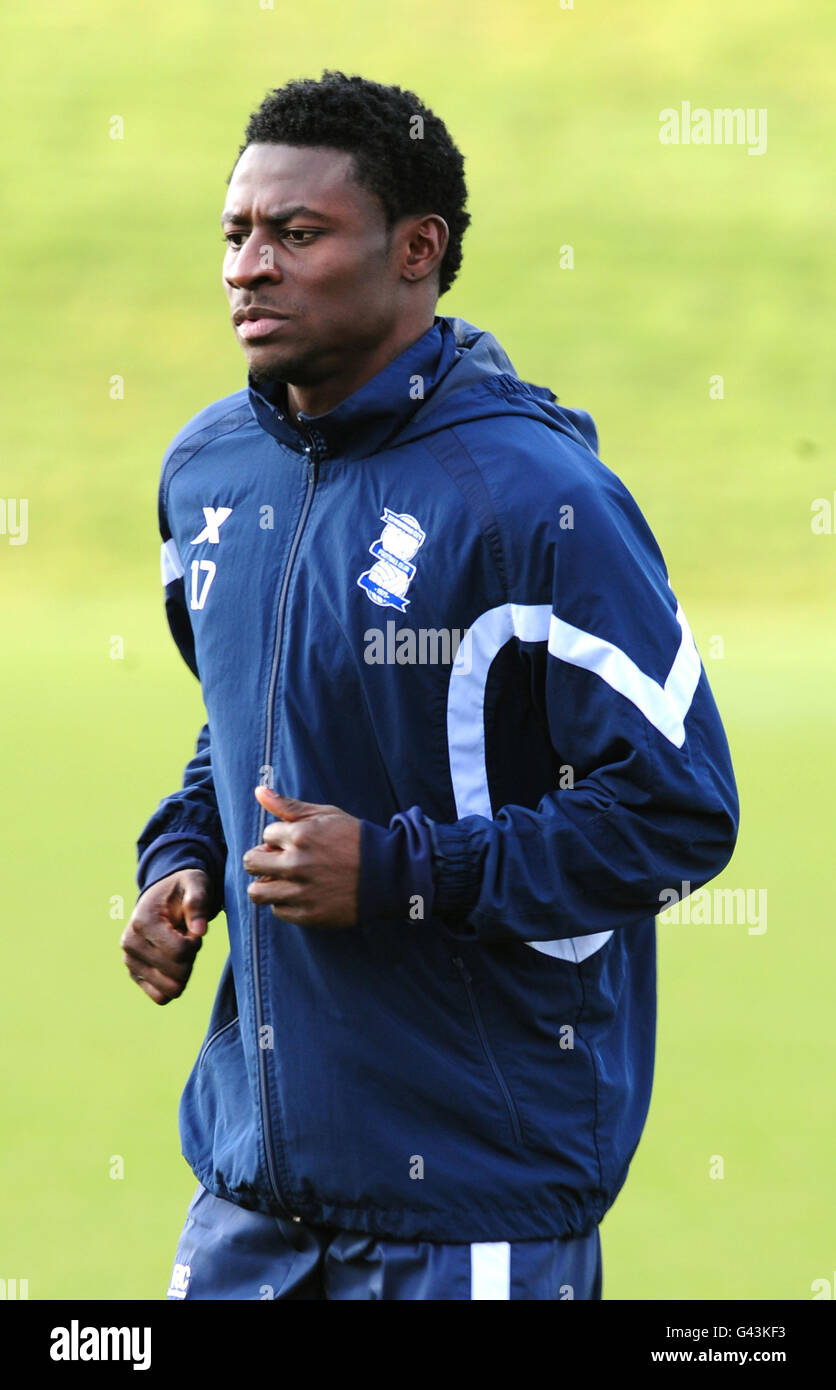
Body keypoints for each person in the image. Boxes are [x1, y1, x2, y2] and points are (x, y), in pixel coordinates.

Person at [122, 70, 739, 1302]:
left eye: (298, 234)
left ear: (417, 249)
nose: (251, 266)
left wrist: (400, 874)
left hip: (471, 1207)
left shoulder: (529, 500)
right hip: (248, 1193)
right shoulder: (208, 472)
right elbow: (246, 721)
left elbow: (677, 810)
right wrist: (181, 854)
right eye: (236, 233)